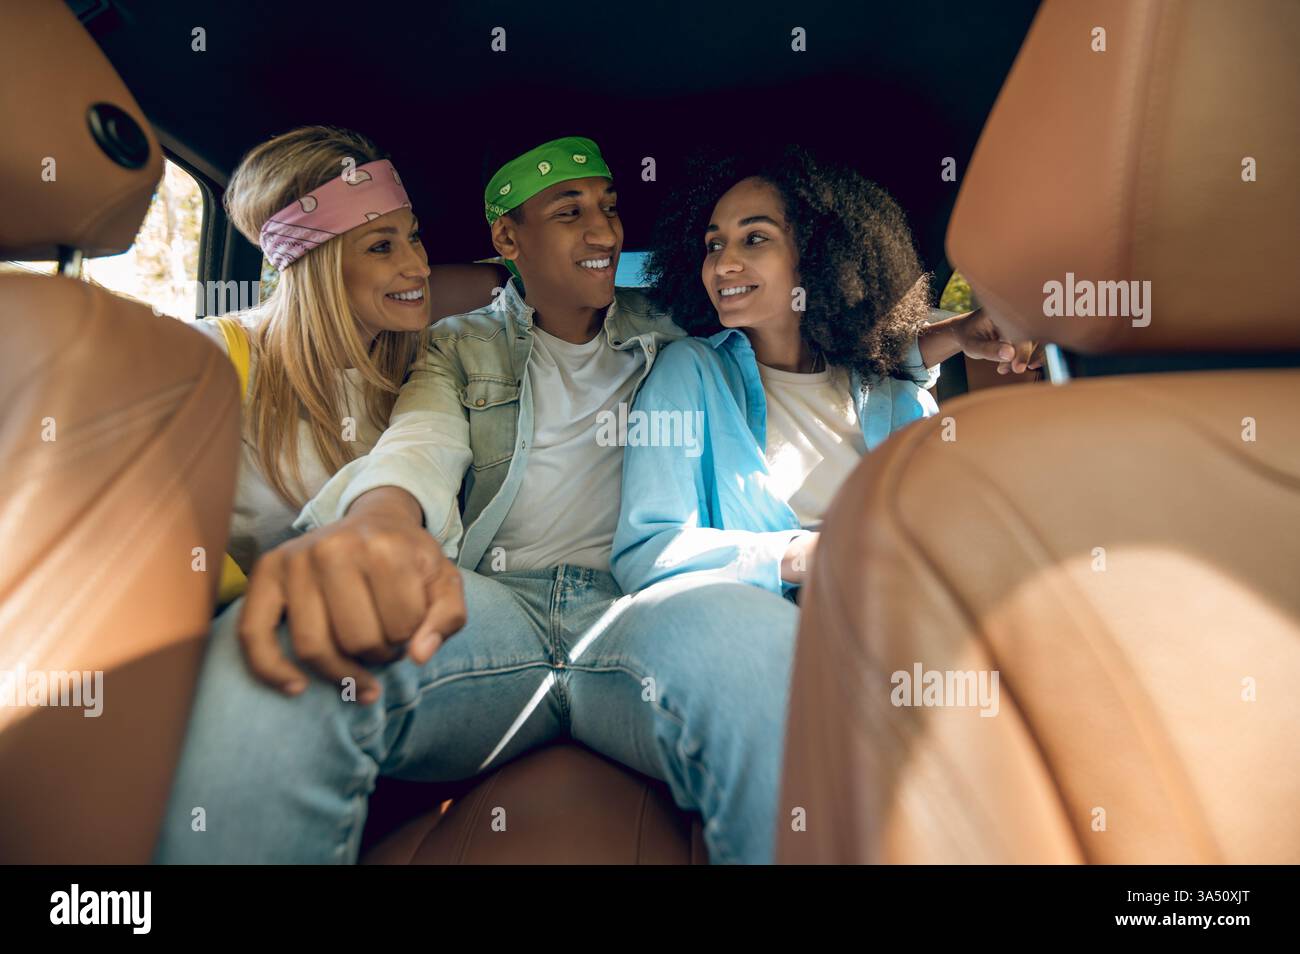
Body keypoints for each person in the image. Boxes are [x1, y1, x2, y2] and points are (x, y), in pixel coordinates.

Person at [156, 135, 799, 865]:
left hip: (639, 607)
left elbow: (790, 349)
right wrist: (381, 518)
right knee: (294, 647)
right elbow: (423, 435)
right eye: (571, 212)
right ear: (507, 240)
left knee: (768, 654)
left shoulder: (675, 327)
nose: (604, 232)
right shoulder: (455, 345)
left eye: (611, 207)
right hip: (493, 610)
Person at [613, 145, 1042, 595]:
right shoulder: (690, 373)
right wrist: (806, 555)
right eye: (713, 245)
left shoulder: (890, 390)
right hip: (767, 620)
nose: (723, 264)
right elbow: (650, 552)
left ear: (817, 253)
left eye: (754, 238)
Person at [190, 125, 502, 600]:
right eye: (381, 246)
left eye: (414, 237)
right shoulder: (216, 358)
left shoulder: (423, 365)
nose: (419, 266)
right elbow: (157, 534)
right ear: (318, 266)